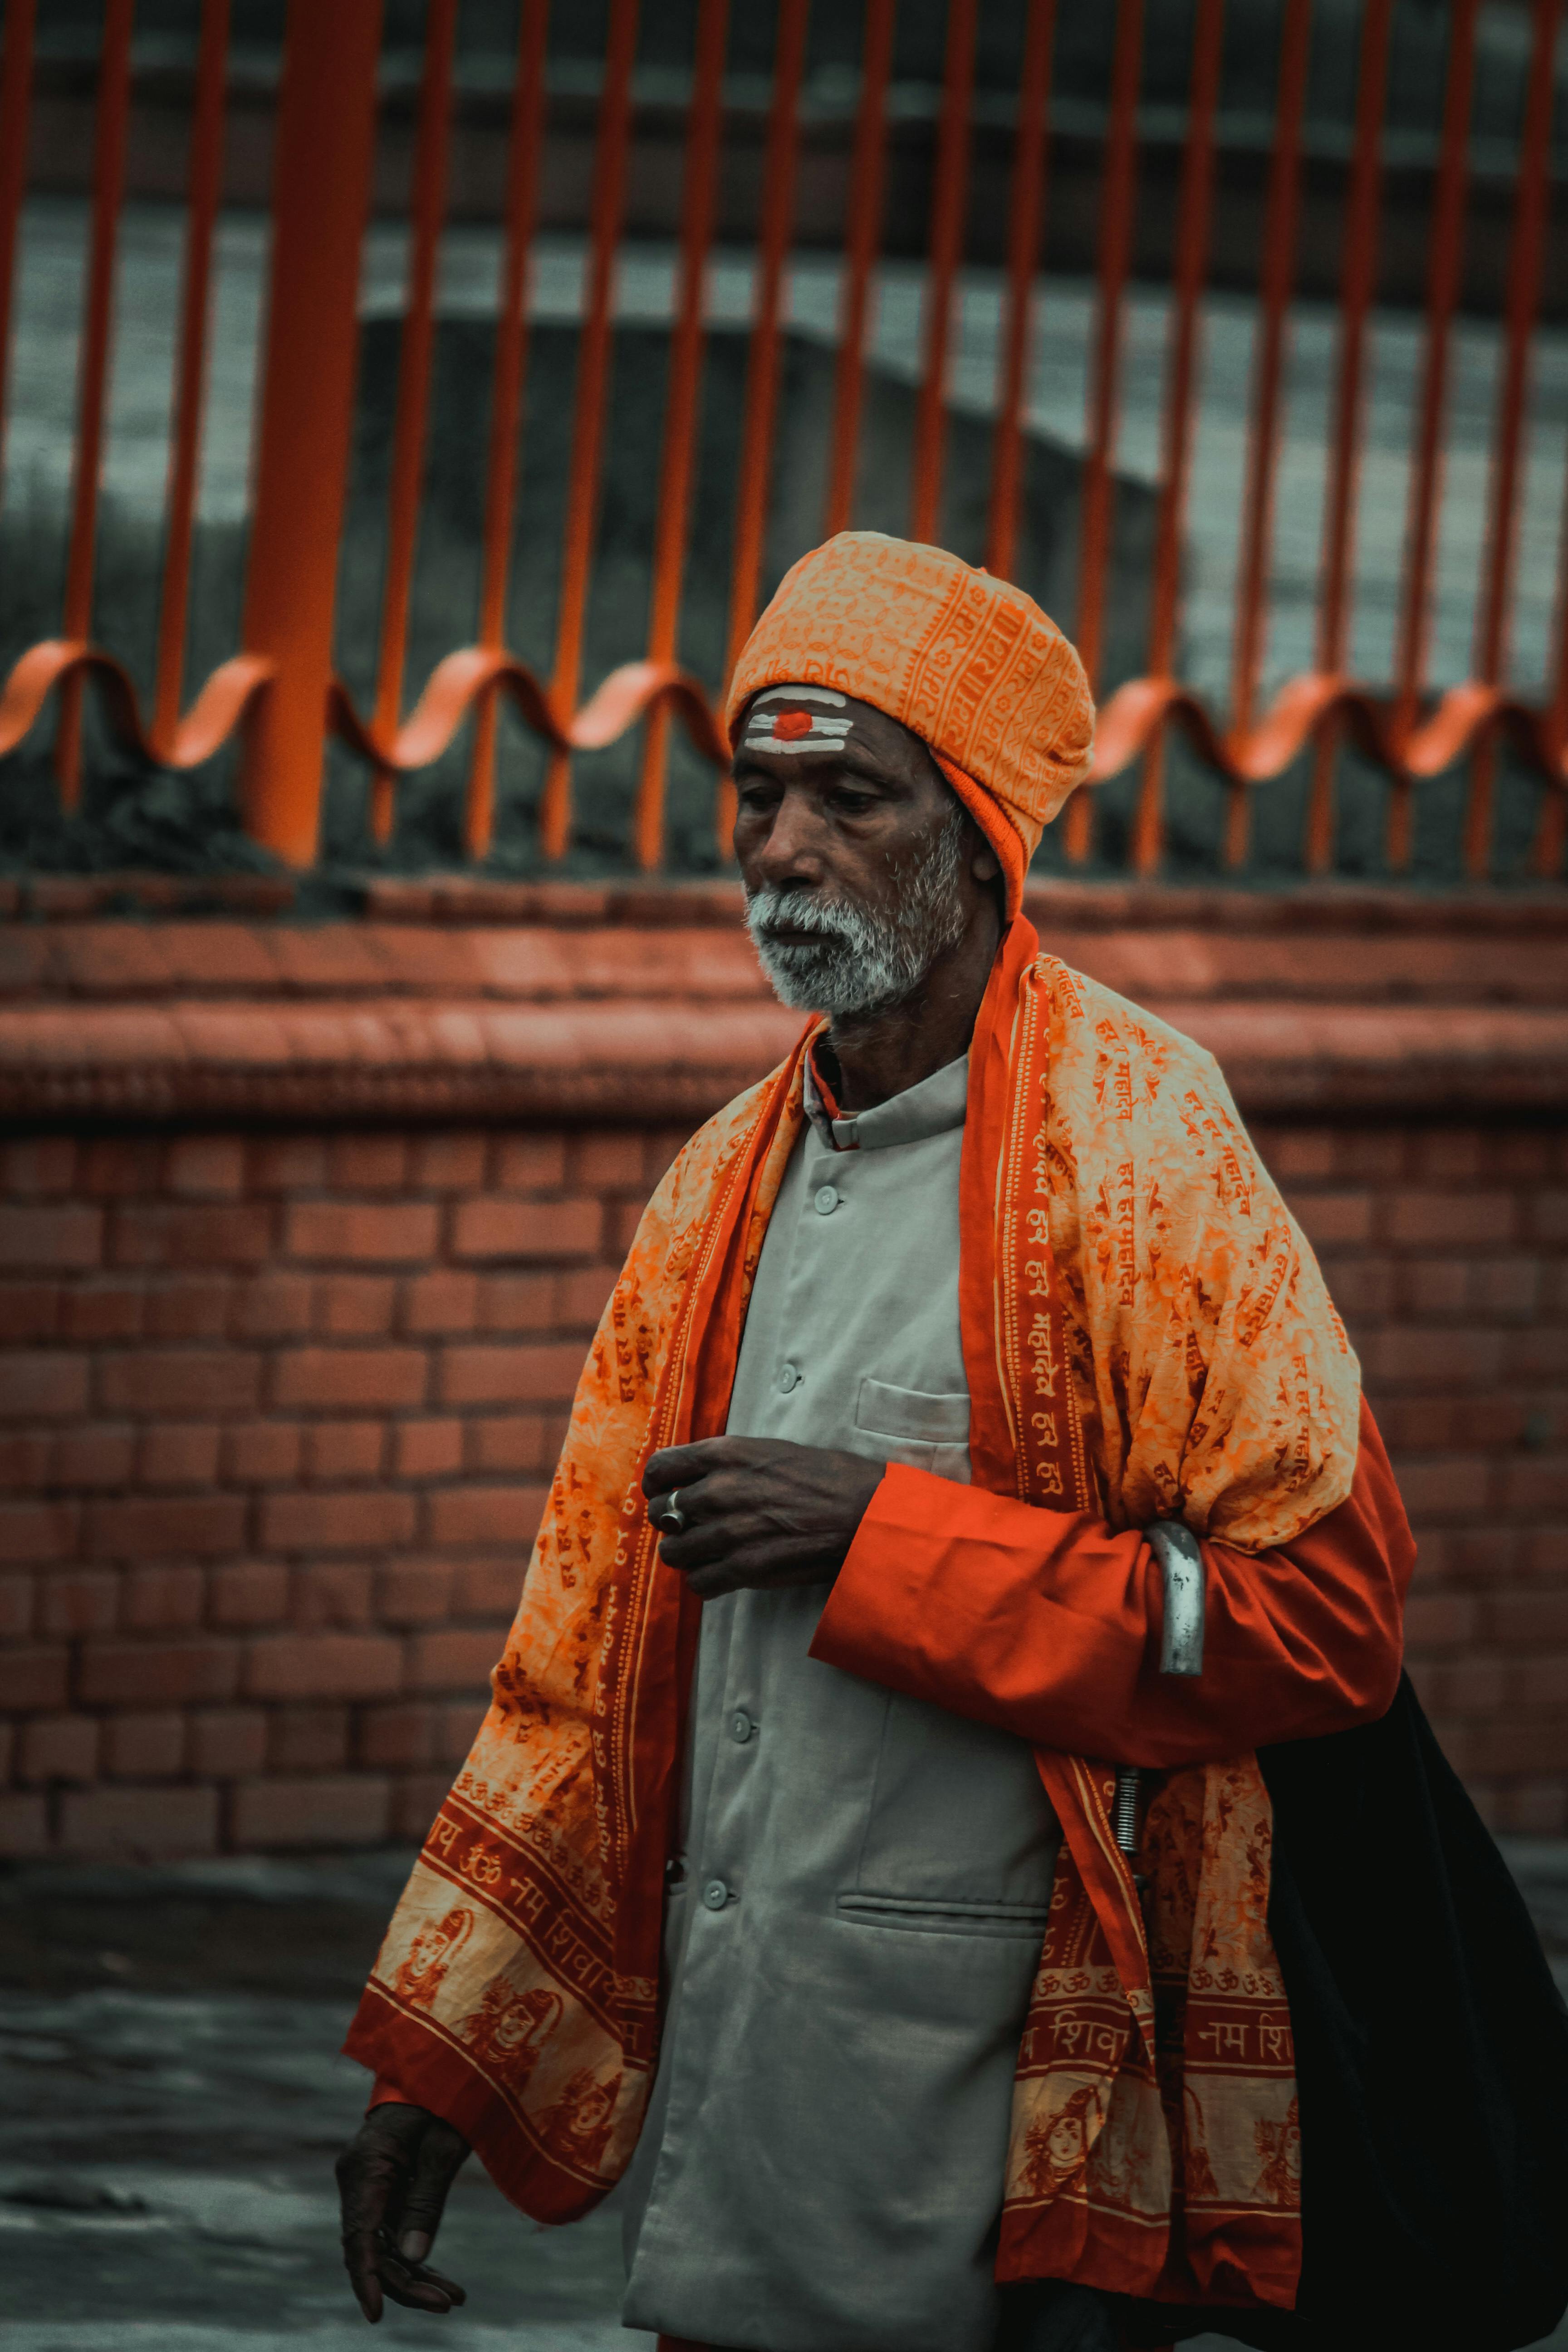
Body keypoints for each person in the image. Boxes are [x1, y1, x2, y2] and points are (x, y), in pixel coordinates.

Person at [333, 532, 1418, 2351]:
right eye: (756, 795)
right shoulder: (714, 1190)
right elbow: (576, 1677)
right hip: (743, 2103)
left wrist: (883, 1545)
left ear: (981, 833)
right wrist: (440, 2063)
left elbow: (1324, 1618)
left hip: (1007, 2142)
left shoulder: (1147, 1146)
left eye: (851, 794)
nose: (778, 849)